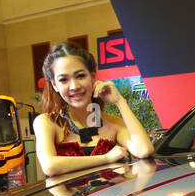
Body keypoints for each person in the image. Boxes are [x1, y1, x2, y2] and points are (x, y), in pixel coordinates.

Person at [33, 42, 154, 178]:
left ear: (92, 76)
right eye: (63, 80)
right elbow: (50, 166)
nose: (74, 86)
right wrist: (106, 159)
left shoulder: (112, 123)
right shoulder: (47, 122)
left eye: (80, 76)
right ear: (54, 85)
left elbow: (144, 150)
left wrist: (120, 102)